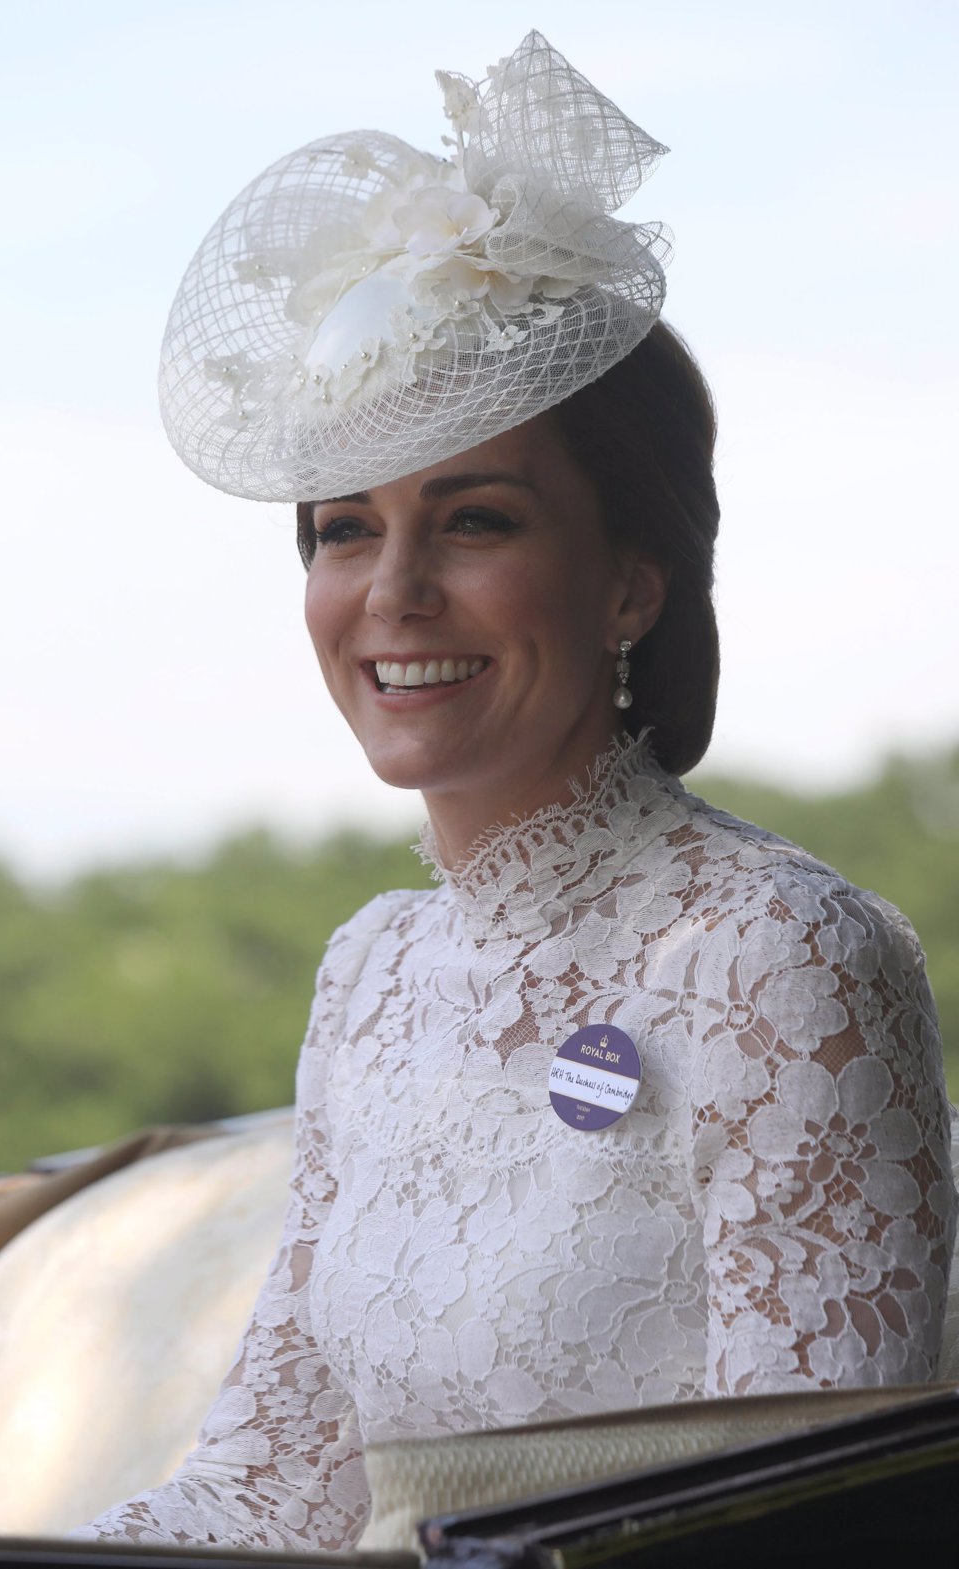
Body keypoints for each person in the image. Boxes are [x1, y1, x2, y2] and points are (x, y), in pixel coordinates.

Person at [76, 29, 957, 1551]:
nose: (394, 591)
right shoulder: (371, 972)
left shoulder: (789, 955)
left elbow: (815, 1533)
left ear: (630, 581)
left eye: (472, 519)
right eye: (345, 528)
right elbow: (277, 1483)